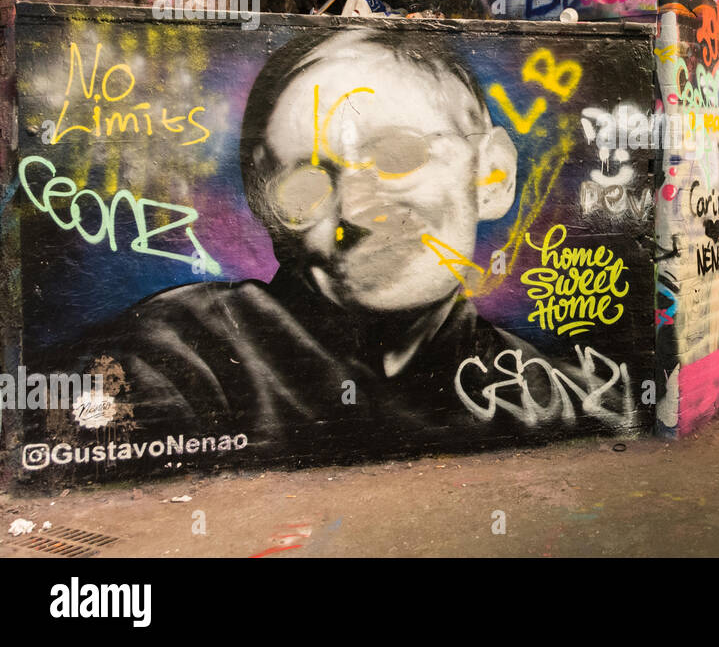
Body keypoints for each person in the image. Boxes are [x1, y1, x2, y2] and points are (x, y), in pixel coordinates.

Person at [53, 28, 619, 469]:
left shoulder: (568, 394)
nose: (354, 210)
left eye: (398, 156)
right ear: (269, 214)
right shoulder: (175, 362)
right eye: (307, 184)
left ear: (491, 176)